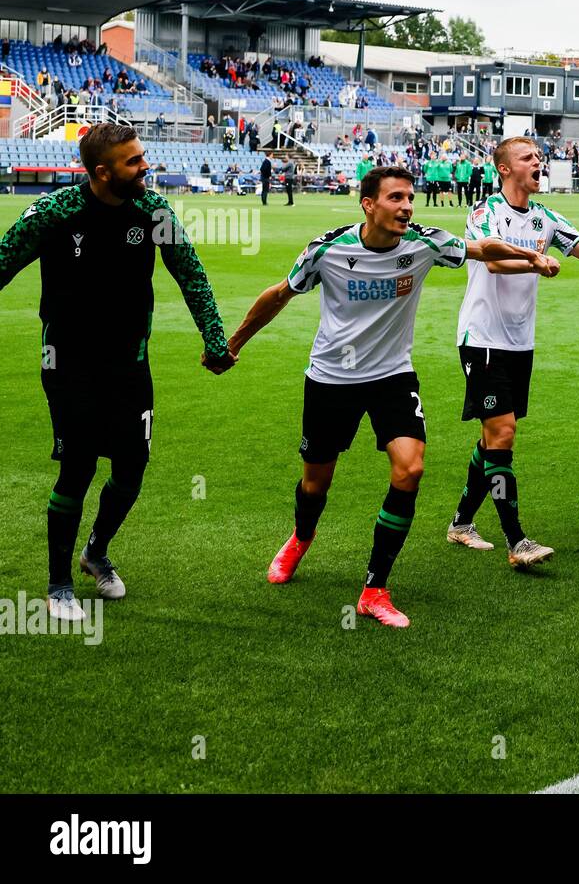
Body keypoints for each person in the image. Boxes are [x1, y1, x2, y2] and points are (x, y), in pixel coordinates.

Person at [226, 166, 553, 628]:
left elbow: (482, 249)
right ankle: (301, 535)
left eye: (409, 198)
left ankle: (375, 588)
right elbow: (279, 294)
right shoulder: (329, 249)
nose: (406, 207)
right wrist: (233, 344)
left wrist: (530, 256)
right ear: (369, 204)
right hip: (331, 378)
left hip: (392, 377)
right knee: (316, 482)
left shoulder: (424, 243)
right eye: (396, 198)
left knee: (411, 468)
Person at [0, 123, 235, 620]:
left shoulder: (154, 211)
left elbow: (190, 271)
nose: (145, 166)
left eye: (143, 156)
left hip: (131, 363)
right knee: (78, 467)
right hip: (67, 364)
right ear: (102, 172)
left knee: (130, 472)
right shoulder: (55, 212)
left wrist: (215, 340)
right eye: (133, 161)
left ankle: (96, 553)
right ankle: (58, 585)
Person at [447, 137, 579, 569]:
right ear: (504, 169)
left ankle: (461, 523)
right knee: (503, 434)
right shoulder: (485, 211)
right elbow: (490, 258)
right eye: (527, 158)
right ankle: (516, 542)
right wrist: (534, 261)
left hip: (520, 342)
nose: (537, 163)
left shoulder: (545, 217)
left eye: (539, 157)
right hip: (482, 338)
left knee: (493, 436)